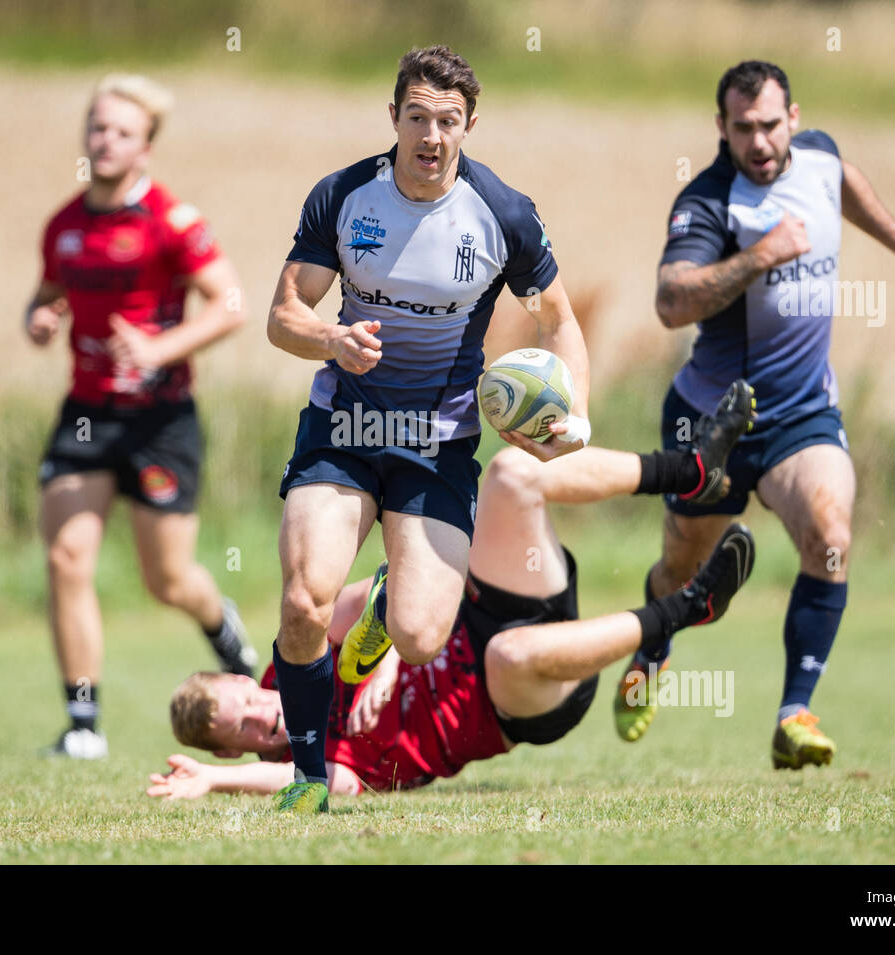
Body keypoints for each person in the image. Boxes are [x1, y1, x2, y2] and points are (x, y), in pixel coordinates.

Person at [148, 382, 755, 804]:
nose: (266, 718)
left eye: (249, 704)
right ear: (235, 755)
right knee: (508, 655)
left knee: (512, 474)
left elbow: (367, 595)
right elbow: (333, 784)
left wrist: (387, 655)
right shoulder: (302, 765)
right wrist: (209, 781)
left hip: (488, 604)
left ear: (242, 681)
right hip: (523, 697)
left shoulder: (293, 669)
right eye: (247, 732)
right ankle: (686, 607)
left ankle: (691, 471)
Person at [265, 45, 592, 811]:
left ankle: (384, 599)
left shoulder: (503, 212)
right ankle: (309, 776)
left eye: (448, 121)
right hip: (341, 428)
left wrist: (572, 414)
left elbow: (560, 318)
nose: (432, 136)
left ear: (469, 125)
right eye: (418, 117)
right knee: (306, 601)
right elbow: (284, 316)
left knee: (419, 637)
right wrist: (331, 339)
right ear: (394, 118)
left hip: (437, 446)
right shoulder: (345, 197)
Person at [620, 60, 895, 769]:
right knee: (684, 568)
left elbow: (842, 182)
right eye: (742, 127)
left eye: (771, 125)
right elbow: (670, 302)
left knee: (831, 533)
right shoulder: (709, 202)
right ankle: (651, 649)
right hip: (710, 424)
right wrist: (760, 257)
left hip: (801, 414)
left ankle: (794, 713)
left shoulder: (819, 159)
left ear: (795, 119)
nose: (759, 142)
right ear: (720, 128)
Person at [25, 73, 254, 759]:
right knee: (67, 556)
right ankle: (83, 723)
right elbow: (47, 295)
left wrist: (159, 348)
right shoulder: (64, 226)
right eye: (97, 127)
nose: (104, 140)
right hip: (87, 416)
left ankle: (230, 638)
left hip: (160, 420)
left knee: (169, 581)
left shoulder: (171, 224)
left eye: (121, 131)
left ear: (146, 146)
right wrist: (39, 317)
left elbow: (231, 304)